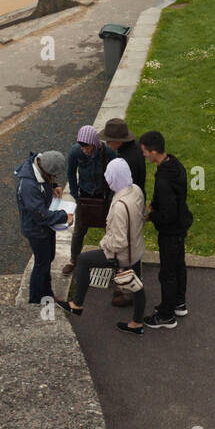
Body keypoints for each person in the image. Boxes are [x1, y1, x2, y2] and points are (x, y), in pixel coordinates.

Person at [57, 158, 148, 336]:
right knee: (137, 285)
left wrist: (103, 244)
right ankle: (137, 323)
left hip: (122, 254)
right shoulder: (135, 190)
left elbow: (119, 241)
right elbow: (141, 217)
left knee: (83, 261)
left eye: (109, 177)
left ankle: (77, 305)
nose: (107, 180)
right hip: (136, 248)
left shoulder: (120, 206)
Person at [139, 130, 193, 329]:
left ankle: (166, 316)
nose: (143, 154)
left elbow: (167, 216)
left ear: (153, 152)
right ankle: (179, 303)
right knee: (179, 266)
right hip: (181, 227)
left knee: (167, 273)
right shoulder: (175, 165)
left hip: (170, 232)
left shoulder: (163, 180)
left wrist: (152, 213)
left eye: (145, 151)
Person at [13, 150, 73, 304]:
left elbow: (44, 183)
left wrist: (53, 186)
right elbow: (41, 215)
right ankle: (34, 301)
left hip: (45, 228)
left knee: (48, 258)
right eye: (53, 176)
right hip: (36, 230)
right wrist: (64, 216)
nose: (55, 178)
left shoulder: (40, 167)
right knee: (42, 264)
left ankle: (47, 294)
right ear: (45, 171)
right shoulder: (29, 186)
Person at [99, 119, 146, 306]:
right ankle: (131, 289)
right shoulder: (133, 151)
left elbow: (122, 185)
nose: (108, 144)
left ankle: (127, 291)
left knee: (125, 250)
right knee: (132, 244)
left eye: (109, 140)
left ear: (119, 141)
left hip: (126, 207)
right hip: (135, 203)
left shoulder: (126, 159)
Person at [61, 125, 116, 276]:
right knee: (79, 230)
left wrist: (111, 194)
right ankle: (73, 260)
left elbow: (117, 168)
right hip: (84, 195)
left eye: (87, 146)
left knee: (109, 229)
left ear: (94, 143)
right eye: (81, 146)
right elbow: (70, 173)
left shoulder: (107, 151)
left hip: (103, 196)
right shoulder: (75, 152)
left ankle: (111, 259)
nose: (84, 149)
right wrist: (75, 194)